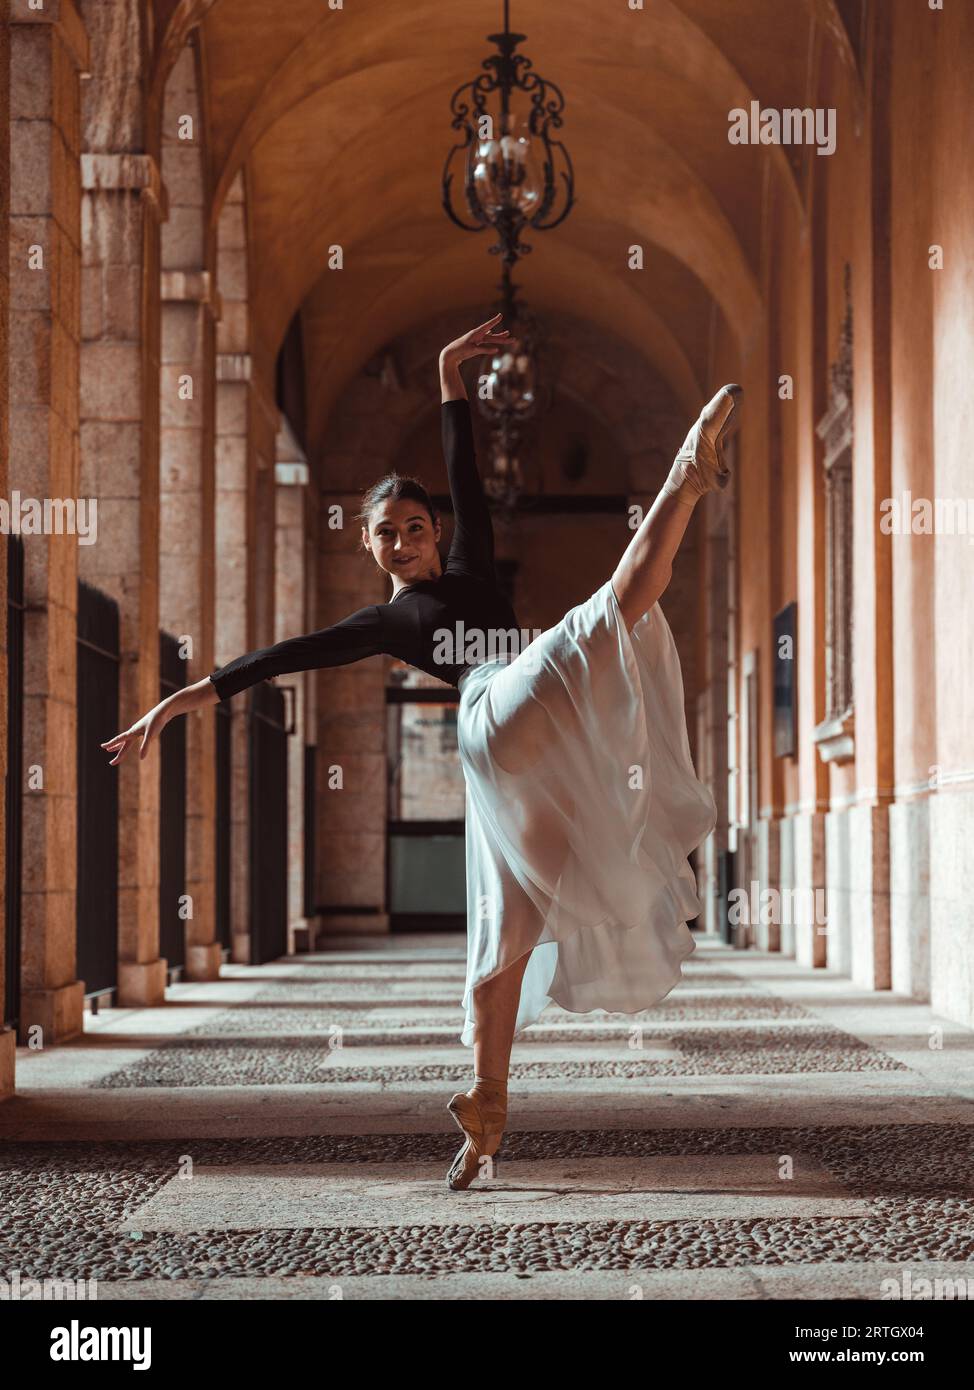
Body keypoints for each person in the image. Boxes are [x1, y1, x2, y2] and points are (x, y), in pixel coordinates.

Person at [102, 313, 742, 1191]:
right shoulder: (385, 620)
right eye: (385, 534)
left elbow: (466, 472)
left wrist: (448, 376)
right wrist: (180, 700)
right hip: (494, 718)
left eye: (414, 526)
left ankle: (484, 1119)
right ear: (369, 549)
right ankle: (687, 473)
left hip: (528, 757)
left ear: (435, 532)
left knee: (497, 956)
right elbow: (276, 658)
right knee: (604, 617)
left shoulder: (473, 565)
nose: (403, 541)